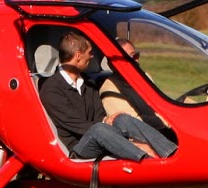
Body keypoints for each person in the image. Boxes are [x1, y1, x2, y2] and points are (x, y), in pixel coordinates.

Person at [39, 30, 177, 162]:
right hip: (79, 147)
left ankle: (173, 153)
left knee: (121, 118)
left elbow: (99, 114)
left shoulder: (87, 83)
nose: (92, 56)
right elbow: (76, 125)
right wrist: (128, 140)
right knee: (99, 129)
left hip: (100, 134)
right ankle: (148, 161)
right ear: (78, 56)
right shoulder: (52, 89)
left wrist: (109, 119)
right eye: (89, 53)